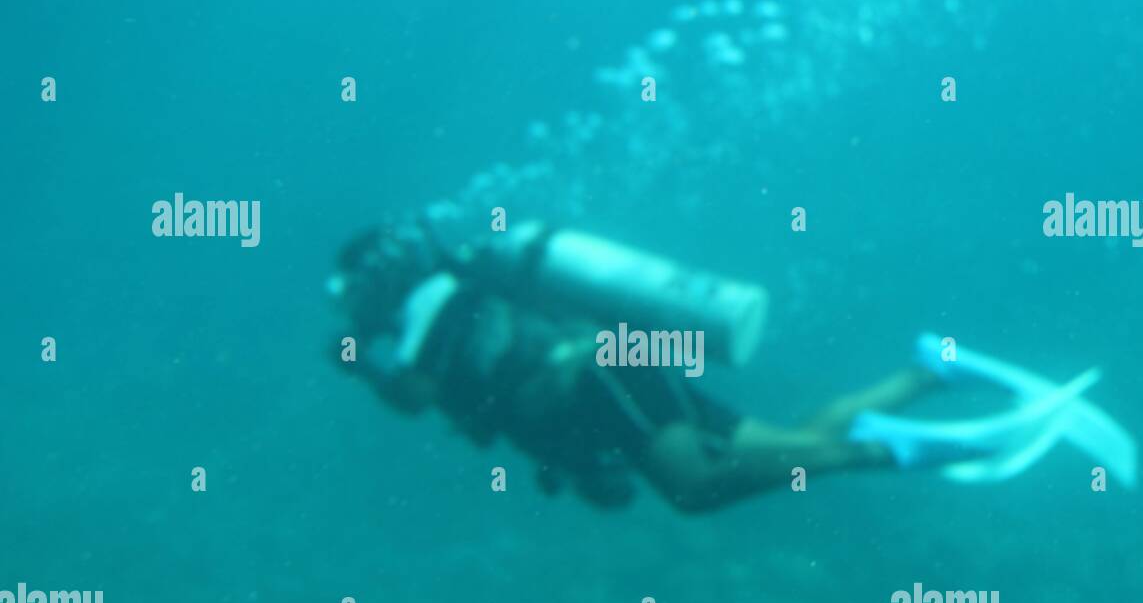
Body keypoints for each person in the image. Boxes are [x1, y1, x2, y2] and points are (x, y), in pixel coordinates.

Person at [328, 220, 962, 513]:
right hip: (616, 366)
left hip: (604, 374)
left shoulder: (431, 302)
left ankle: (887, 451)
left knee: (695, 486)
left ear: (378, 280)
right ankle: (928, 375)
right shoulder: (455, 295)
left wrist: (358, 362)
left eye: (356, 295)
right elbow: (505, 398)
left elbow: (414, 394)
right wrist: (581, 470)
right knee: (792, 442)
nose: (357, 309)